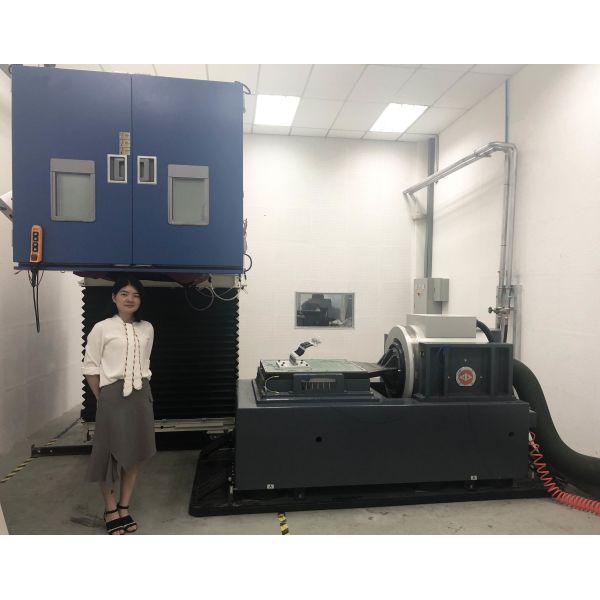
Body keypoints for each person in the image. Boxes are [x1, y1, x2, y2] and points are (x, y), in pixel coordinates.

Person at [81, 277, 156, 534]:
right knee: (107, 454)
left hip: (140, 393)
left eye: (135, 294)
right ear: (114, 297)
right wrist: (102, 398)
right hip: (112, 394)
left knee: (133, 452)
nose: (130, 299)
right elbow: (91, 367)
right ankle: (110, 508)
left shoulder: (147, 328)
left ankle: (124, 506)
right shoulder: (101, 328)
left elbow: (145, 361)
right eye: (124, 293)